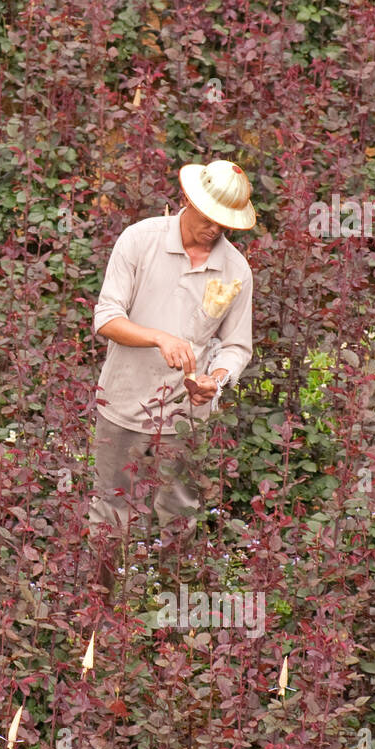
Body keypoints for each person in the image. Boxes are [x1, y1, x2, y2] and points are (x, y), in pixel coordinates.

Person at [88, 159, 256, 552]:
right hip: (122, 404)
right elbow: (107, 318)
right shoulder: (139, 241)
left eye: (225, 222)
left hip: (185, 418)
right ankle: (104, 607)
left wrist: (215, 381)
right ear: (186, 200)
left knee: (181, 514)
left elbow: (236, 346)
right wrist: (159, 338)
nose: (215, 228)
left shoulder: (236, 270)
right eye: (208, 217)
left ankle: (173, 604)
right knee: (112, 511)